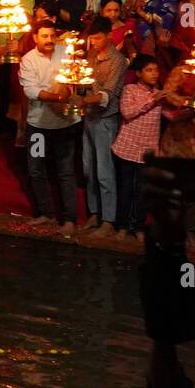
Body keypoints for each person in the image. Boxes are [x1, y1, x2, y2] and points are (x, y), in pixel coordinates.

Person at [20, 20, 82, 232]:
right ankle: (45, 213)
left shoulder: (66, 52)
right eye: (44, 36)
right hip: (39, 125)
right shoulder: (28, 60)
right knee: (36, 169)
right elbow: (31, 91)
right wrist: (57, 96)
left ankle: (69, 219)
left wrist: (66, 90)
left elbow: (76, 77)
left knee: (65, 171)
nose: (49, 40)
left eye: (51, 36)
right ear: (35, 37)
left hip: (65, 124)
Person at [79, 18, 128, 234]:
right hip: (89, 117)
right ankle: (94, 213)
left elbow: (108, 94)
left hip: (106, 119)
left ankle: (108, 220)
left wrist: (83, 100)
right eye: (92, 38)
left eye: (98, 38)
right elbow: (83, 81)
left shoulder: (117, 60)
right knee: (89, 168)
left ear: (109, 36)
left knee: (104, 171)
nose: (95, 42)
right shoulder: (90, 56)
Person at [110, 53, 165, 242]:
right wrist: (152, 100)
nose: (154, 74)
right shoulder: (130, 89)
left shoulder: (160, 93)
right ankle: (122, 226)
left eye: (156, 70)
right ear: (139, 73)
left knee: (142, 191)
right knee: (125, 189)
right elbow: (127, 112)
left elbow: (171, 115)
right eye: (149, 70)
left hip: (147, 151)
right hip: (127, 147)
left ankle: (139, 227)